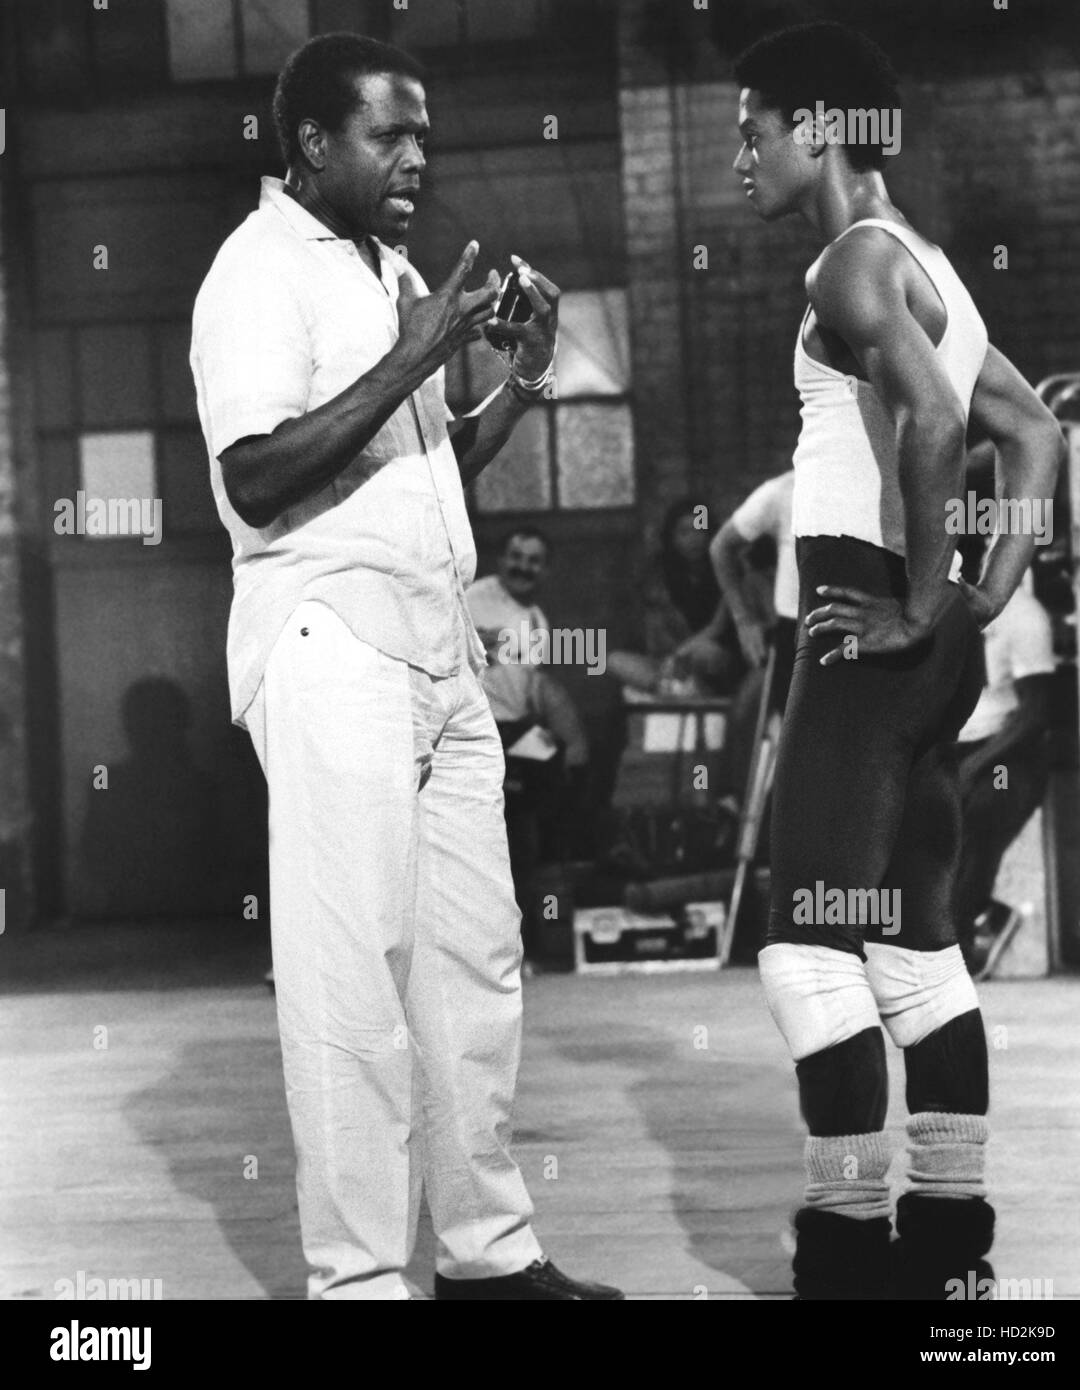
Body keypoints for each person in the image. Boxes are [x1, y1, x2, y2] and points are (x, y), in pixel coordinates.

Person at [190, 32, 622, 1301]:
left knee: (473, 972)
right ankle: (361, 1279)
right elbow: (255, 478)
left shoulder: (393, 268)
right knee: (351, 985)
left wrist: (523, 372)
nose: (417, 157)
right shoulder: (255, 273)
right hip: (331, 651)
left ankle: (488, 1258)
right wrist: (420, 352)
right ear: (313, 144)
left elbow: (428, 475)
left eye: (424, 133)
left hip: (437, 658)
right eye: (390, 134)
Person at [732, 21, 1063, 1299]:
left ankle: (849, 1275)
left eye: (751, 130)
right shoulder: (926, 265)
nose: (739, 157)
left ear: (816, 128)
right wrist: (988, 586)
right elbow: (1029, 436)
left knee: (808, 951)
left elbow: (935, 420)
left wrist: (926, 599)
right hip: (924, 654)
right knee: (914, 953)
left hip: (868, 632)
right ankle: (945, 1259)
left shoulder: (849, 268)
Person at [467, 528, 590, 953]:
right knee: (494, 838)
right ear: (502, 558)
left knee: (545, 806)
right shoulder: (472, 598)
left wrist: (568, 742)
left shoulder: (536, 618)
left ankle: (537, 942)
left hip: (518, 731)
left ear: (545, 569)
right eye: (516, 556)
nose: (523, 566)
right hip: (475, 729)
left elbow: (533, 687)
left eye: (533, 560)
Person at [954, 549, 1055, 973]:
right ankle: (981, 915)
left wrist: (974, 767)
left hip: (1004, 753)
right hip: (950, 747)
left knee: (982, 804)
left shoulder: (1023, 615)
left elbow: (1036, 712)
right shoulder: (930, 610)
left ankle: (960, 939)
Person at [608, 498, 737, 697]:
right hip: (667, 664)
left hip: (706, 659)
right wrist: (670, 661)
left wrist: (681, 654)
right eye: (684, 532)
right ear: (672, 537)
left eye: (700, 530)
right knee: (614, 660)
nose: (694, 539)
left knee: (707, 653)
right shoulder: (659, 576)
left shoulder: (724, 572)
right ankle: (672, 689)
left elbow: (717, 627)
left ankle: (687, 690)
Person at [711, 468, 799, 716]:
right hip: (789, 637)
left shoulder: (876, 482)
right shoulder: (783, 490)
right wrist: (744, 621)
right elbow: (721, 547)